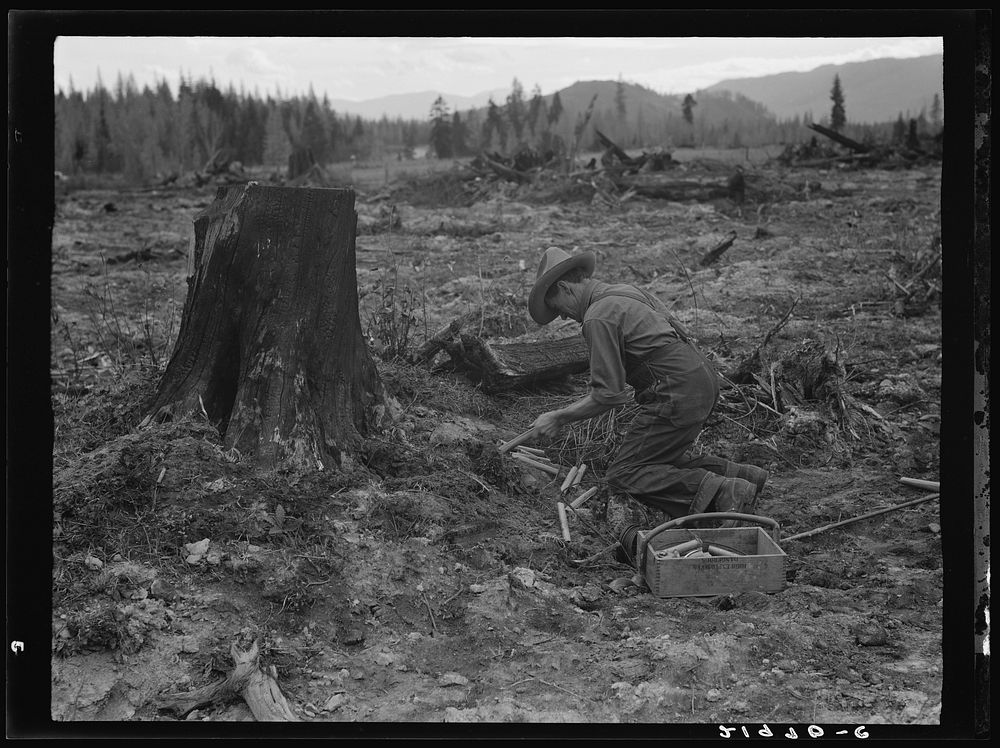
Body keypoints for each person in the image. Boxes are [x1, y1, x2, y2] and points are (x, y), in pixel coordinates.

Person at [525, 247, 768, 558]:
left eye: (555, 306)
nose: (561, 315)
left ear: (563, 288)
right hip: (701, 378)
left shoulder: (597, 317)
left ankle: (726, 491)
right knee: (656, 460)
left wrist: (558, 417)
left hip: (676, 390)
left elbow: (608, 394)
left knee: (624, 475)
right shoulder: (624, 291)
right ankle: (743, 476)